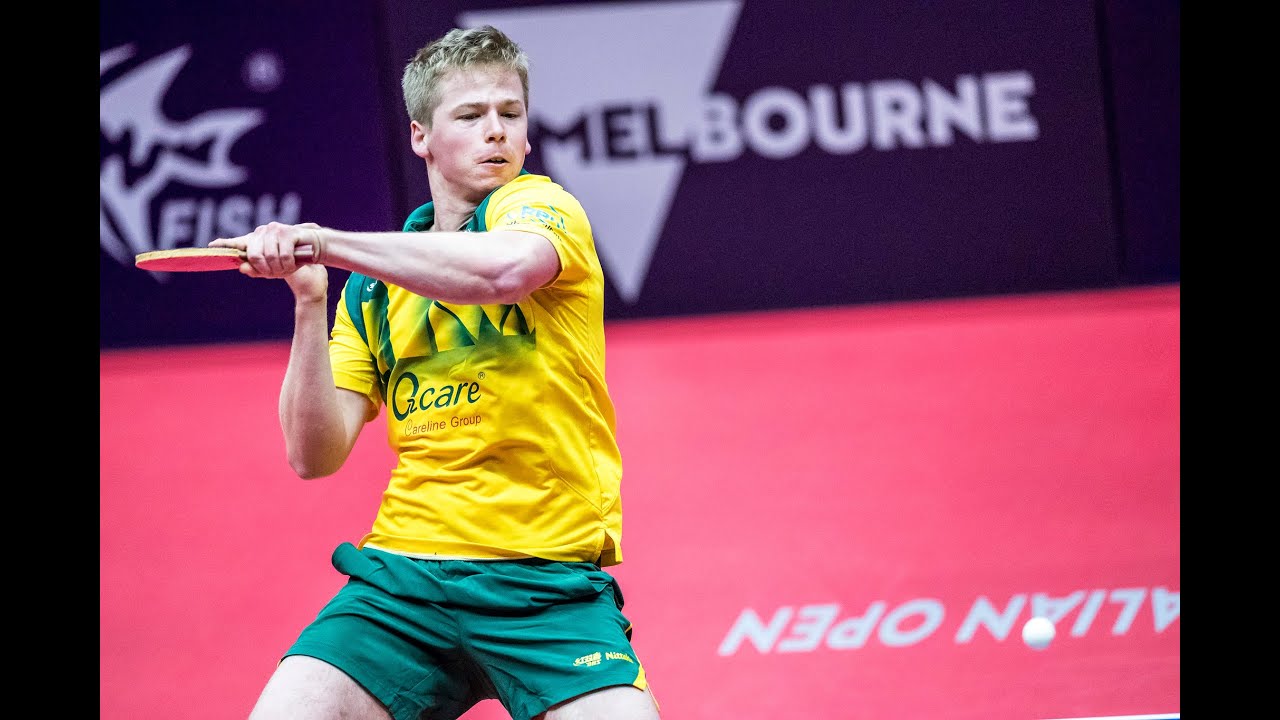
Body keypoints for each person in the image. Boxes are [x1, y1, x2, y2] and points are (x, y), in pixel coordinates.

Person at [210, 25, 661, 720]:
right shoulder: (373, 287)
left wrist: (329, 243)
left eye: (510, 115)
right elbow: (313, 453)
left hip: (544, 583)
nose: (497, 134)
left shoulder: (539, 210)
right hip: (403, 582)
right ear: (421, 136)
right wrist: (309, 302)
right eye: (471, 116)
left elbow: (505, 271)